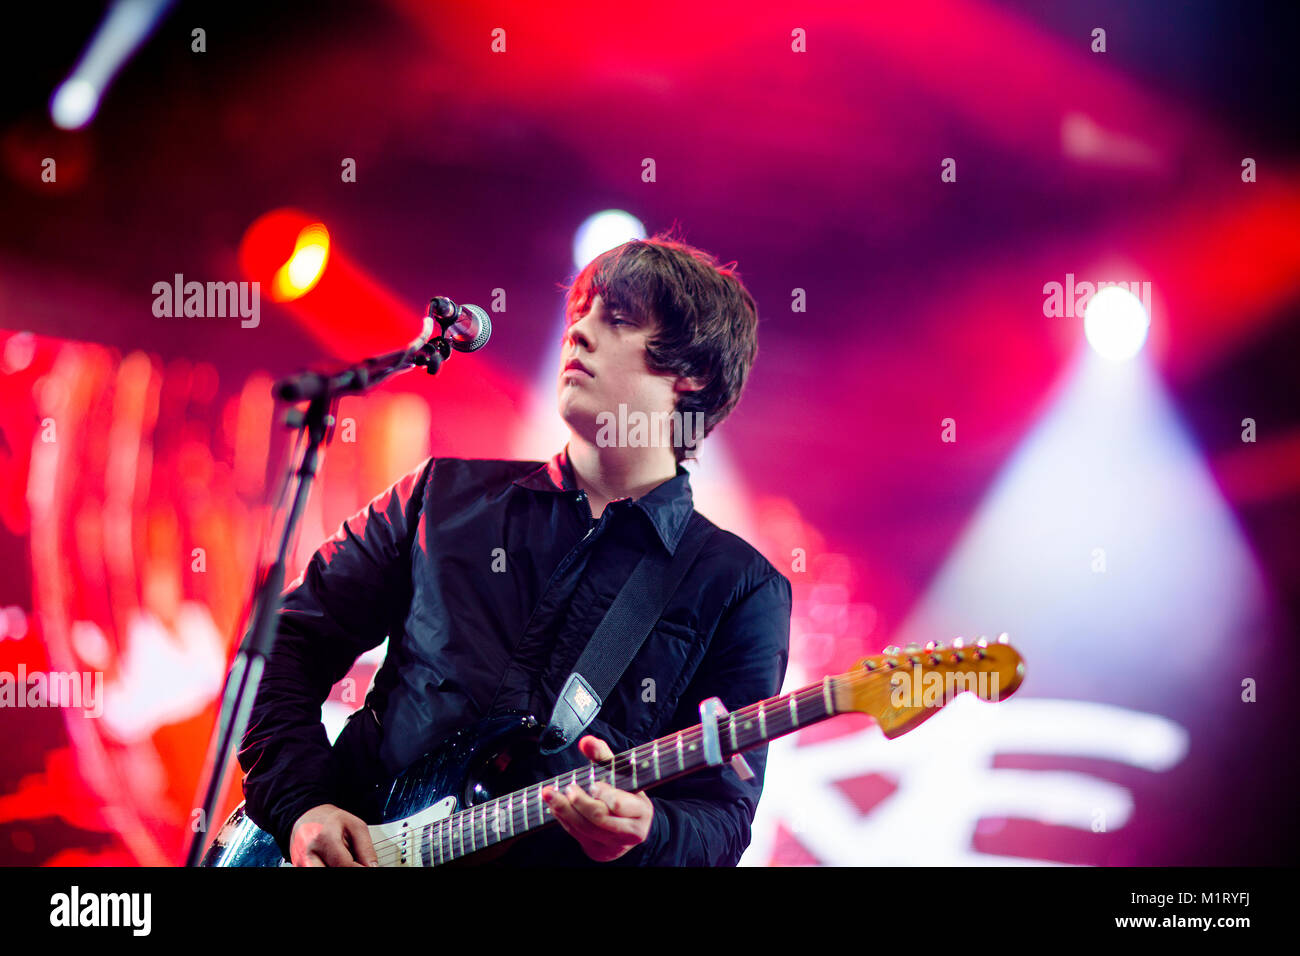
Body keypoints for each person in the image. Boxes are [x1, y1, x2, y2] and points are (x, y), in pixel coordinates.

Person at [237, 231, 792, 866]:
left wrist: (648, 832)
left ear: (691, 373)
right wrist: (302, 805)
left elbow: (721, 817)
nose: (577, 332)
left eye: (617, 320)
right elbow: (282, 643)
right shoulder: (439, 497)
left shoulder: (737, 587)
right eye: (579, 313)